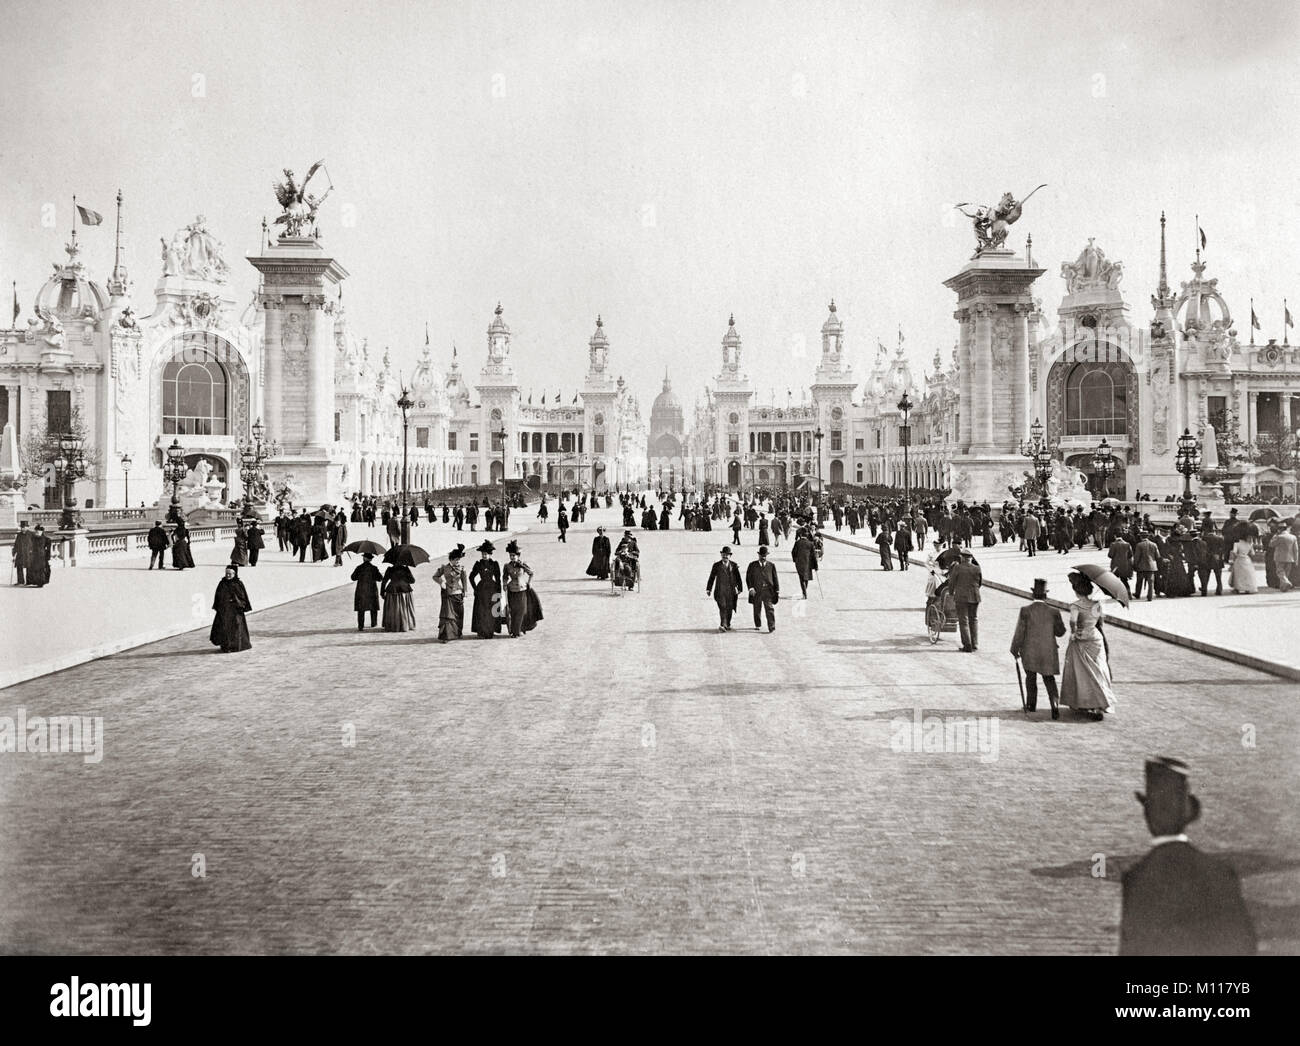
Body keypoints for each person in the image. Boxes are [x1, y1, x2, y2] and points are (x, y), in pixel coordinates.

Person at [1119, 757, 1256, 955]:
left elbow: (1133, 950)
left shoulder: (1136, 878)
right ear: (1187, 815)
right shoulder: (1221, 871)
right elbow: (1243, 944)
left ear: (1147, 817)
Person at [1060, 571, 1115, 719]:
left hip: (1081, 638)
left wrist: (1073, 632)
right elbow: (1100, 622)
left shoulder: (1075, 606)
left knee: (1081, 673)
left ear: (1076, 590)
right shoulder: (1097, 604)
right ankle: (1101, 701)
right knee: (1098, 669)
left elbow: (1073, 621)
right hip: (1096, 639)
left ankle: (1083, 701)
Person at [1010, 578, 1066, 719]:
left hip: (1030, 651)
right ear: (1046, 595)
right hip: (1048, 651)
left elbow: (1020, 632)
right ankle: (1054, 706)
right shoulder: (1054, 611)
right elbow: (1061, 632)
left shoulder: (1025, 610)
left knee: (1030, 677)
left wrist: (1014, 648)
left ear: (1032, 595)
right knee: (1049, 679)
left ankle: (1031, 705)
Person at [209, 565, 252, 652]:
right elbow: (217, 596)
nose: (227, 575)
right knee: (223, 629)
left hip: (235, 611)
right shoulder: (222, 583)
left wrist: (235, 601)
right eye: (226, 573)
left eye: (230, 574)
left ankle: (235, 646)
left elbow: (243, 597)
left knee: (235, 629)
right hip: (224, 611)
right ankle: (225, 646)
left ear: (234, 574)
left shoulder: (238, 584)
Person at [432, 544, 468, 642]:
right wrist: (441, 582)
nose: (458, 562)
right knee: (448, 616)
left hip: (458, 593)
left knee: (459, 615)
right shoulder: (444, 568)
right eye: (456, 560)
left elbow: (464, 580)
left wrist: (465, 591)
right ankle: (447, 635)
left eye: (459, 560)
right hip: (447, 594)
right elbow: (435, 576)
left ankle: (458, 632)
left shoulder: (461, 568)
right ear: (451, 560)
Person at [948, 550, 982, 652]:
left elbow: (952, 582)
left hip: (961, 597)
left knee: (963, 621)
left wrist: (951, 592)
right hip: (975, 597)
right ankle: (975, 644)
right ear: (971, 558)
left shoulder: (957, 568)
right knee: (974, 619)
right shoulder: (977, 568)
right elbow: (980, 583)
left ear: (962, 558)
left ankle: (967, 645)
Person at [470, 541, 503, 639]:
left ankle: (490, 630)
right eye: (483, 554)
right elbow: (471, 577)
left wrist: (499, 592)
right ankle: (481, 631)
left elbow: (498, 579)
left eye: (486, 554)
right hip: (481, 590)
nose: (484, 556)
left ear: (490, 554)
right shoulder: (478, 564)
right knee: (481, 611)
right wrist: (475, 589)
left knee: (492, 610)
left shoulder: (494, 564)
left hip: (492, 589)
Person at [706, 545, 743, 631]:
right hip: (720, 591)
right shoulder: (716, 565)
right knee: (722, 607)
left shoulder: (734, 565)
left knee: (729, 608)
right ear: (721, 555)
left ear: (730, 556)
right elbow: (712, 577)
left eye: (727, 555)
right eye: (723, 554)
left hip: (731, 591)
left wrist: (740, 588)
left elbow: (738, 577)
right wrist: (709, 589)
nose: (725, 556)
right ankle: (723, 624)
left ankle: (727, 624)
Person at [503, 541, 534, 637]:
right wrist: (504, 584)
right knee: (513, 611)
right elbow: (505, 576)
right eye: (511, 555)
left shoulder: (523, 564)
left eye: (514, 556)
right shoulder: (507, 566)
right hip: (512, 590)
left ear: (518, 556)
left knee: (522, 610)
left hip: (522, 590)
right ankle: (515, 631)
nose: (512, 557)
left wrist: (529, 582)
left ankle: (518, 630)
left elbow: (531, 573)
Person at [745, 544, 779, 633]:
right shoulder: (752, 565)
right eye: (761, 555)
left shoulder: (771, 565)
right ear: (759, 555)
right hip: (756, 591)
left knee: (770, 608)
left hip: (768, 591)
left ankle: (771, 626)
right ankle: (757, 624)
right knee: (757, 608)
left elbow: (775, 578)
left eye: (765, 556)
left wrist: (777, 589)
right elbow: (748, 578)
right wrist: (751, 588)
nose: (763, 557)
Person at [380, 560, 416, 632]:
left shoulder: (390, 569)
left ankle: (393, 626)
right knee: (404, 608)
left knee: (393, 609)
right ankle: (405, 625)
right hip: (405, 589)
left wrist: (382, 592)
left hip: (392, 589)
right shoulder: (405, 569)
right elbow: (412, 581)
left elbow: (384, 581)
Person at [351, 553, 381, 630]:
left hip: (361, 591)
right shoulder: (374, 568)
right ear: (371, 559)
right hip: (372, 590)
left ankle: (361, 626)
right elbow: (380, 578)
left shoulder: (359, 568)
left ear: (364, 558)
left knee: (361, 609)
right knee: (373, 607)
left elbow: (353, 577)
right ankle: (373, 623)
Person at [1133, 531, 1160, 601]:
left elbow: (1137, 557)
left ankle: (1137, 594)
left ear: (1141, 537)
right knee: (1151, 582)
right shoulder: (1154, 544)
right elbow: (1158, 556)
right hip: (1151, 566)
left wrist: (1135, 565)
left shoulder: (1139, 545)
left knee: (1139, 581)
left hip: (1141, 566)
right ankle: (1150, 596)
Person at [1270, 525, 1298, 591]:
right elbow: (1296, 549)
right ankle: (1283, 588)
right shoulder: (1293, 537)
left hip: (1279, 557)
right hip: (1290, 557)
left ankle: (1286, 582)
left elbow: (1271, 544)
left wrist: (1274, 537)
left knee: (1280, 571)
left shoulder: (1279, 537)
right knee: (1286, 573)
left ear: (1280, 529)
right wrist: (1296, 559)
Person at [791, 527, 817, 598]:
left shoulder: (797, 543)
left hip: (799, 563)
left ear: (801, 535)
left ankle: (804, 593)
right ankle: (805, 591)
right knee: (806, 577)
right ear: (807, 535)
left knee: (801, 578)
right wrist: (816, 566)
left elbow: (793, 552)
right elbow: (813, 556)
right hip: (808, 563)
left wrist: (795, 560)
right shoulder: (810, 544)